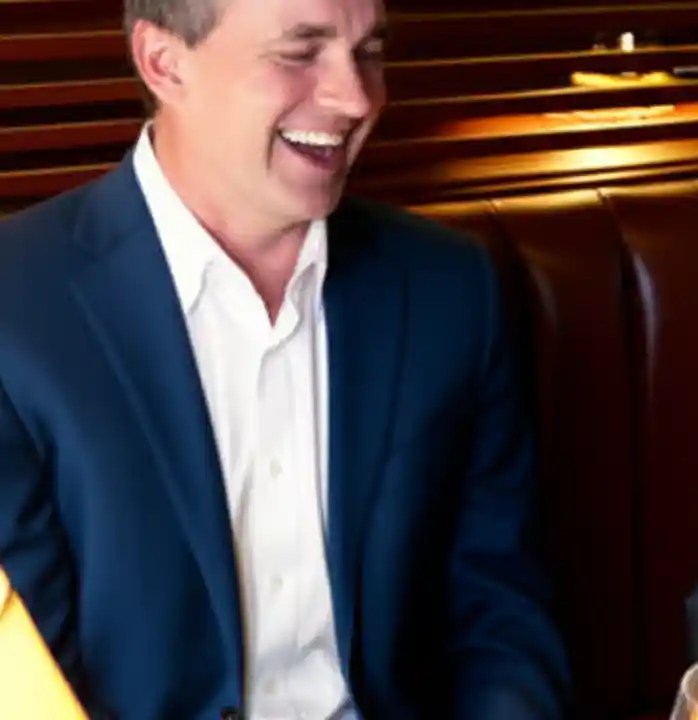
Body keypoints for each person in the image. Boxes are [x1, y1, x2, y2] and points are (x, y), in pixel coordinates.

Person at [0, 0, 571, 718]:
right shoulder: (15, 308)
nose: (356, 97)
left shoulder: (451, 288)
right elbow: (24, 685)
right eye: (301, 52)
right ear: (164, 63)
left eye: (369, 53)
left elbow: (500, 612)